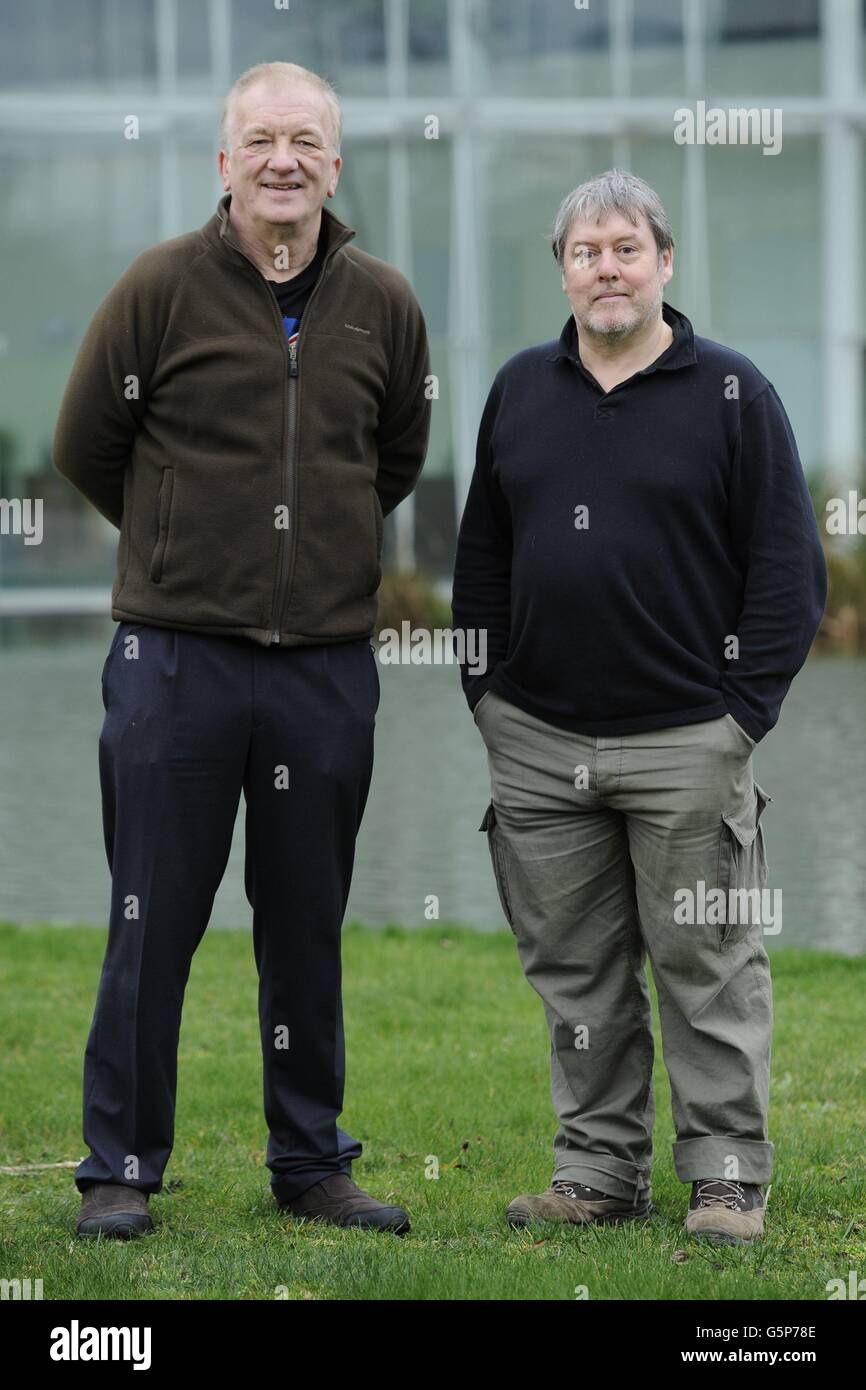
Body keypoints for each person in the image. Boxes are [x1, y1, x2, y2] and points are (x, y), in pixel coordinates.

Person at [53, 61, 430, 1239]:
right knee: (148, 916)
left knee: (304, 921)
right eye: (261, 139)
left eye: (305, 141)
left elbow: (396, 458)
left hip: (321, 666)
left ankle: (311, 1161)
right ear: (224, 162)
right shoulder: (159, 287)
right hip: (175, 661)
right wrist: (182, 554)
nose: (283, 160)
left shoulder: (383, 302)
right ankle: (119, 1164)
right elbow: (85, 445)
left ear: (334, 161)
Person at [451, 168, 827, 1244]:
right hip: (535, 740)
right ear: (562, 271)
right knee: (575, 975)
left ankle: (722, 1179)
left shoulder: (733, 393)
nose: (605, 268)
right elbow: (479, 557)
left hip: (685, 741)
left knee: (705, 964)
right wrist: (485, 695)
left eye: (625, 247)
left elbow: (785, 573)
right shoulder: (520, 389)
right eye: (584, 251)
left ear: (663, 261)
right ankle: (595, 1174)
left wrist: (737, 717)